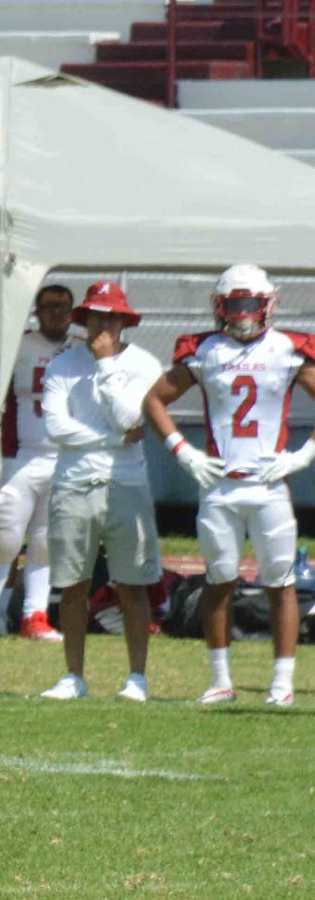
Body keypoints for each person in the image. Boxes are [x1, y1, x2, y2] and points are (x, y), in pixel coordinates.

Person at [143, 265, 315, 707]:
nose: (241, 314)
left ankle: (282, 682)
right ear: (219, 307)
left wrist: (303, 455)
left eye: (249, 304)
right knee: (219, 580)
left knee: (281, 583)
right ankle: (220, 680)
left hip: (269, 486)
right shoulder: (205, 350)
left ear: (268, 304)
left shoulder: (289, 350)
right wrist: (184, 451)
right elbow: (155, 399)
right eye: (233, 304)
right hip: (218, 486)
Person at [39, 282, 164, 702]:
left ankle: (137, 677)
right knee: (73, 583)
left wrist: (108, 365)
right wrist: (112, 440)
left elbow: (130, 415)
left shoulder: (144, 364)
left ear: (125, 322)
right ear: (85, 318)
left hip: (127, 483)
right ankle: (73, 676)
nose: (104, 324)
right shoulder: (63, 364)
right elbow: (57, 428)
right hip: (74, 482)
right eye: (97, 315)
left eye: (113, 317)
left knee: (132, 584)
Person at [0, 284, 81, 641]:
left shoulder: (82, 348)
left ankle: (35, 616)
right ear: (37, 311)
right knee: (7, 539)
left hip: (65, 456)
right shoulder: (18, 345)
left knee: (47, 541)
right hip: (22, 455)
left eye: (63, 307)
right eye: (49, 307)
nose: (56, 313)